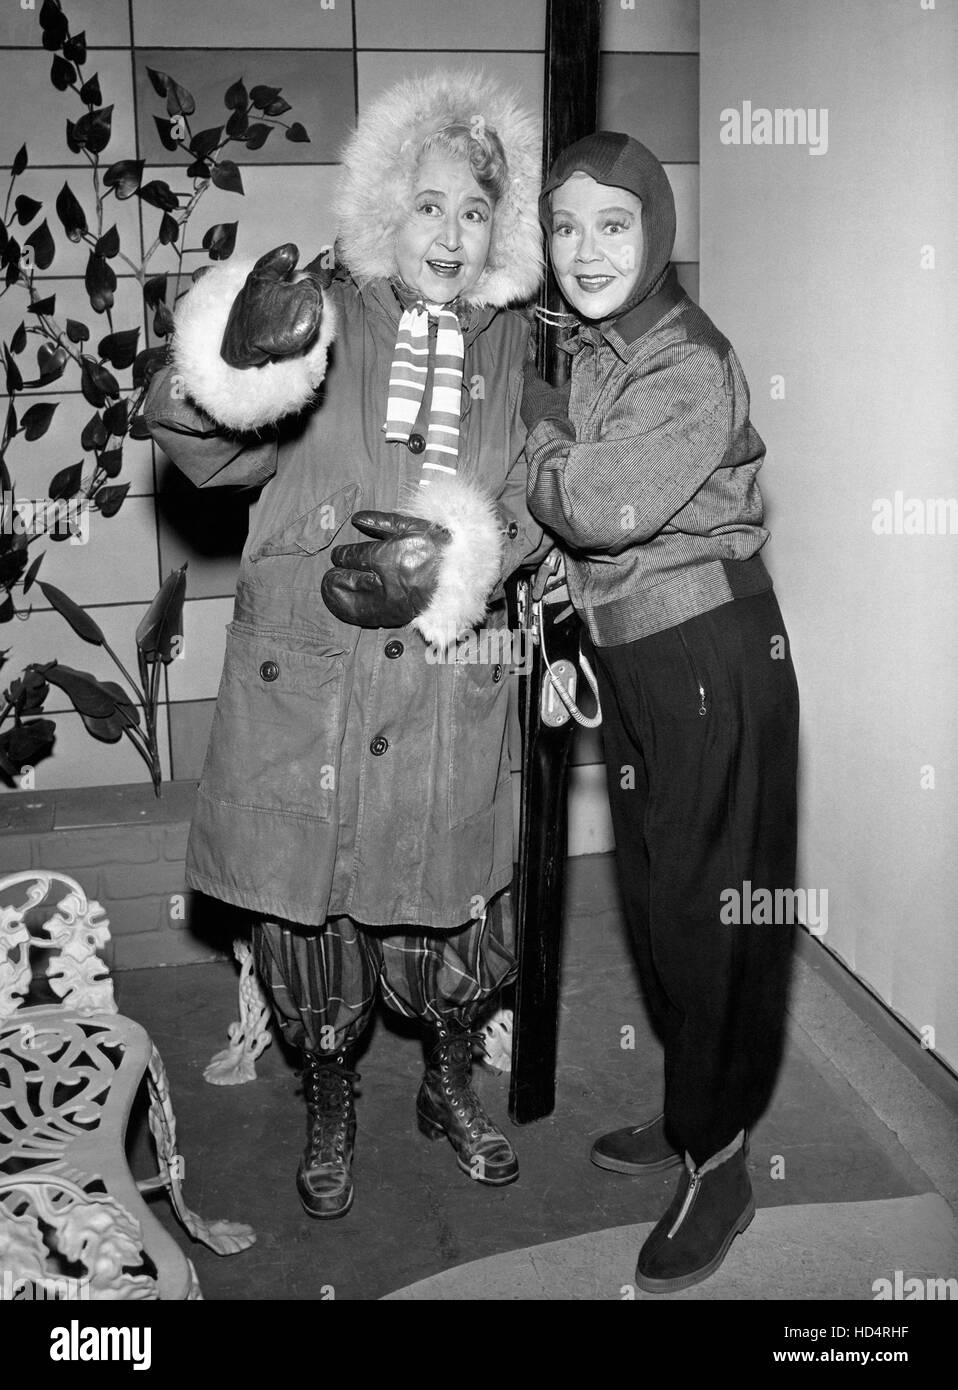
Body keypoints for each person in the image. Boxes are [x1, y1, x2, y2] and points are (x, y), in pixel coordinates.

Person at [144, 70, 545, 1218]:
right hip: (306, 695)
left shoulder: (521, 347)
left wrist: (473, 551)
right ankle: (329, 1096)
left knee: (458, 933)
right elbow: (205, 453)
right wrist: (227, 371)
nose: (452, 234)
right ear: (383, 206)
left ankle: (447, 1085)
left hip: (442, 691)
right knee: (310, 939)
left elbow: (538, 494)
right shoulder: (325, 306)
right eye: (429, 205)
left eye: (477, 210)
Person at [523, 131, 800, 1292]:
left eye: (612, 224)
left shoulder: (686, 357)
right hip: (637, 664)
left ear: (657, 233)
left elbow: (595, 500)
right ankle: (696, 1117)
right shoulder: (600, 347)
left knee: (711, 917)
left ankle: (723, 1160)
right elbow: (567, 535)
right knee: (653, 903)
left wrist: (529, 425)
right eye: (564, 225)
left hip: (708, 660)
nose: (584, 251)